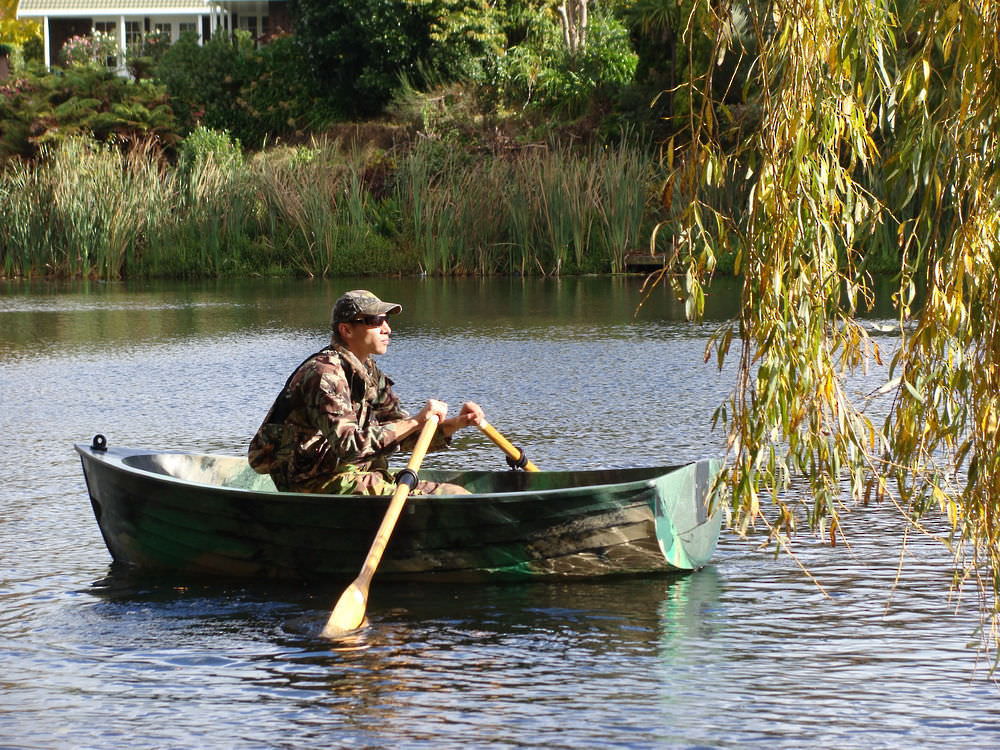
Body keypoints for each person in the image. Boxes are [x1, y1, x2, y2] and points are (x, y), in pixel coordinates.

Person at [248, 290, 484, 495]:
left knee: (457, 493)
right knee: (451, 494)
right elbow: (350, 448)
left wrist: (455, 424)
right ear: (346, 330)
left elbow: (399, 434)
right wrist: (415, 420)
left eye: (386, 320)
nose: (387, 329)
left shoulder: (368, 371)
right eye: (375, 320)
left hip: (350, 474)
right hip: (313, 483)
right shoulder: (324, 374)